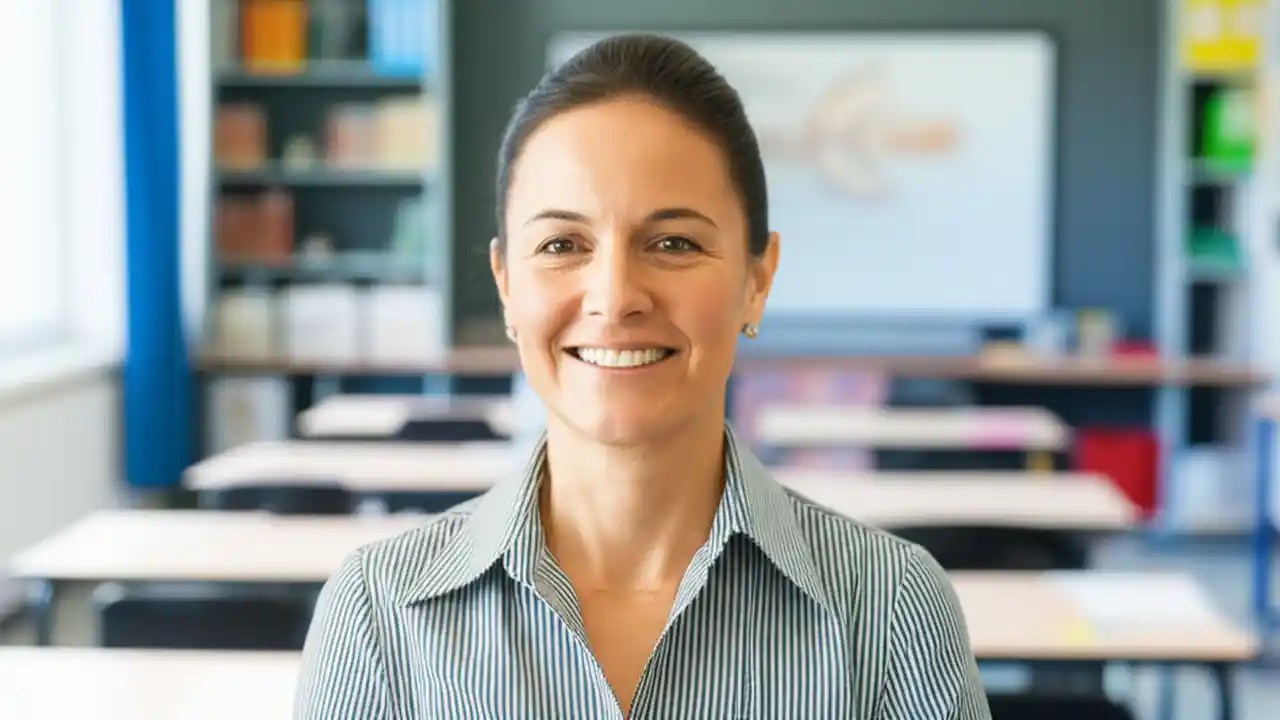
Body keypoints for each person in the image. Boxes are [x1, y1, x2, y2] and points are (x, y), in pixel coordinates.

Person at [295, 33, 989, 719]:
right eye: (563, 245)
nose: (615, 295)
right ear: (506, 285)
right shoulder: (380, 613)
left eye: (673, 243)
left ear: (757, 279)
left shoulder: (891, 612)